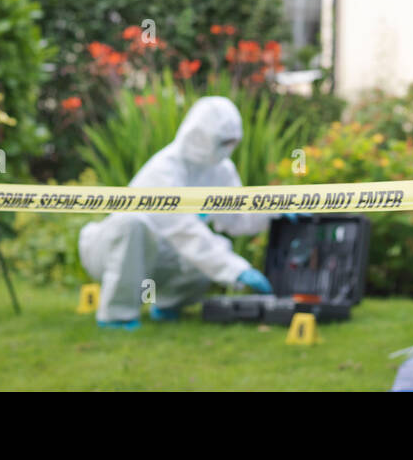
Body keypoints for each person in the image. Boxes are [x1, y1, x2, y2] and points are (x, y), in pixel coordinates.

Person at [78, 96, 275, 329]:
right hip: (110, 253)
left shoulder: (221, 170)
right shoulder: (163, 170)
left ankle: (167, 303)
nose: (228, 149)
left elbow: (236, 216)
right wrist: (237, 269)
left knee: (208, 256)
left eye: (232, 142)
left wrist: (274, 214)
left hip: (156, 262)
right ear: (200, 136)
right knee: (133, 224)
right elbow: (184, 232)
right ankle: (116, 315)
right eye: (223, 142)